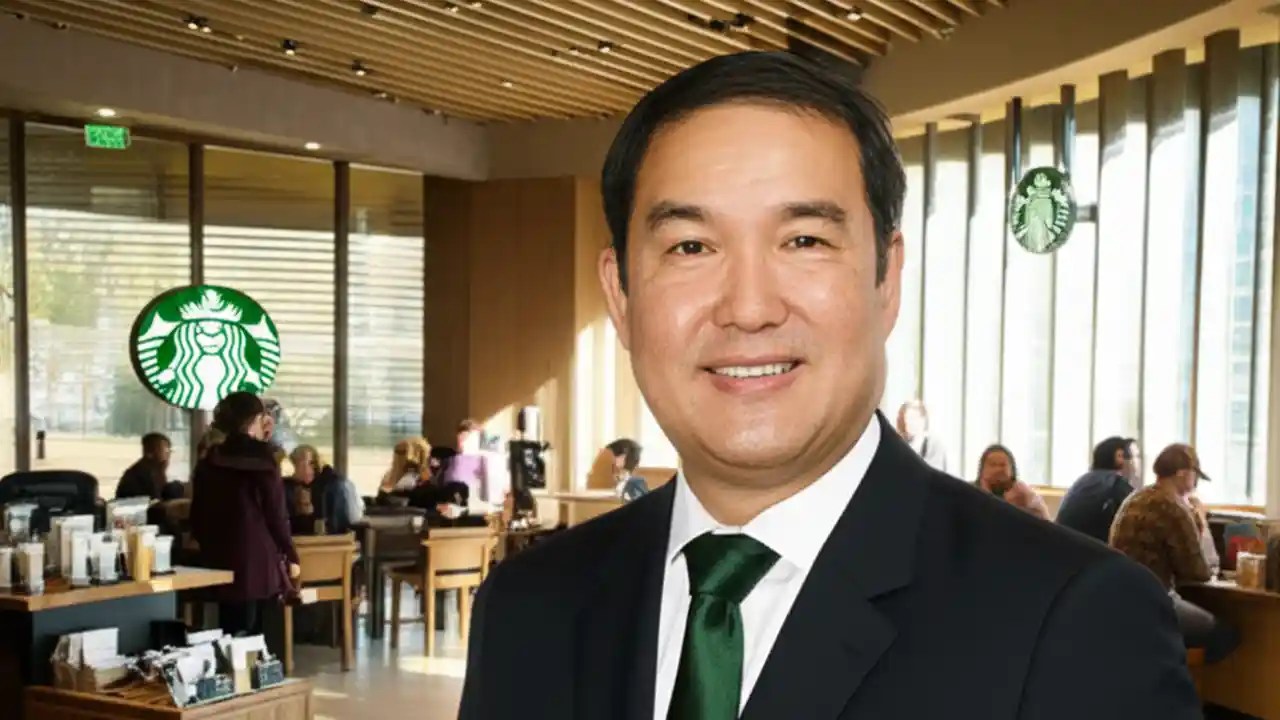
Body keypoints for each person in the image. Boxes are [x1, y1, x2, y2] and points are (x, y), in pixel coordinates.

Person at [459, 51, 1197, 719]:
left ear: (887, 279)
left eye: (804, 241)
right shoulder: (527, 610)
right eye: (691, 245)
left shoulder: (1073, 620)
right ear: (620, 297)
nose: (748, 307)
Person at [1110, 443, 1238, 663]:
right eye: (1195, 476)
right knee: (1225, 635)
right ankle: (1180, 684)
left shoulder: (1134, 498)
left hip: (1116, 599)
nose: (1195, 484)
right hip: (1152, 602)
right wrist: (1200, 520)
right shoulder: (1174, 508)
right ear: (1183, 474)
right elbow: (1198, 573)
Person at [189, 392, 299, 644]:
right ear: (255, 419)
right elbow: (276, 514)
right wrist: (290, 551)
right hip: (259, 560)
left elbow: (199, 513)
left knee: (229, 630)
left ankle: (229, 678)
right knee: (256, 636)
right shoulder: (264, 459)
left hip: (220, 557)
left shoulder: (211, 459)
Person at [1056, 436, 1137, 543]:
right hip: (1091, 552)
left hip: (1064, 545)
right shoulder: (1116, 484)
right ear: (1118, 458)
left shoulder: (1083, 481)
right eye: (1134, 457)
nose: (1135, 464)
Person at [287, 445, 363, 535]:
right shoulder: (292, 486)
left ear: (312, 465)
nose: (296, 472)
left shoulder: (329, 487)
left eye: (299, 465)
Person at [975, 444, 1050, 520]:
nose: (997, 470)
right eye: (992, 465)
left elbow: (1046, 524)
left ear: (1012, 470)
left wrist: (1023, 508)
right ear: (982, 470)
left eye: (1002, 465)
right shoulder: (971, 492)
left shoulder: (1024, 494)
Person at [115, 432, 171, 500]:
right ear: (149, 453)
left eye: (168, 449)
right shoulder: (141, 473)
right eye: (164, 449)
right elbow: (157, 501)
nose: (168, 453)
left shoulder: (154, 470)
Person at [895, 400, 946, 472]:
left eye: (914, 418)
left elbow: (935, 472)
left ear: (923, 419)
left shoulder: (933, 444)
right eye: (907, 419)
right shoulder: (903, 444)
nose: (910, 423)